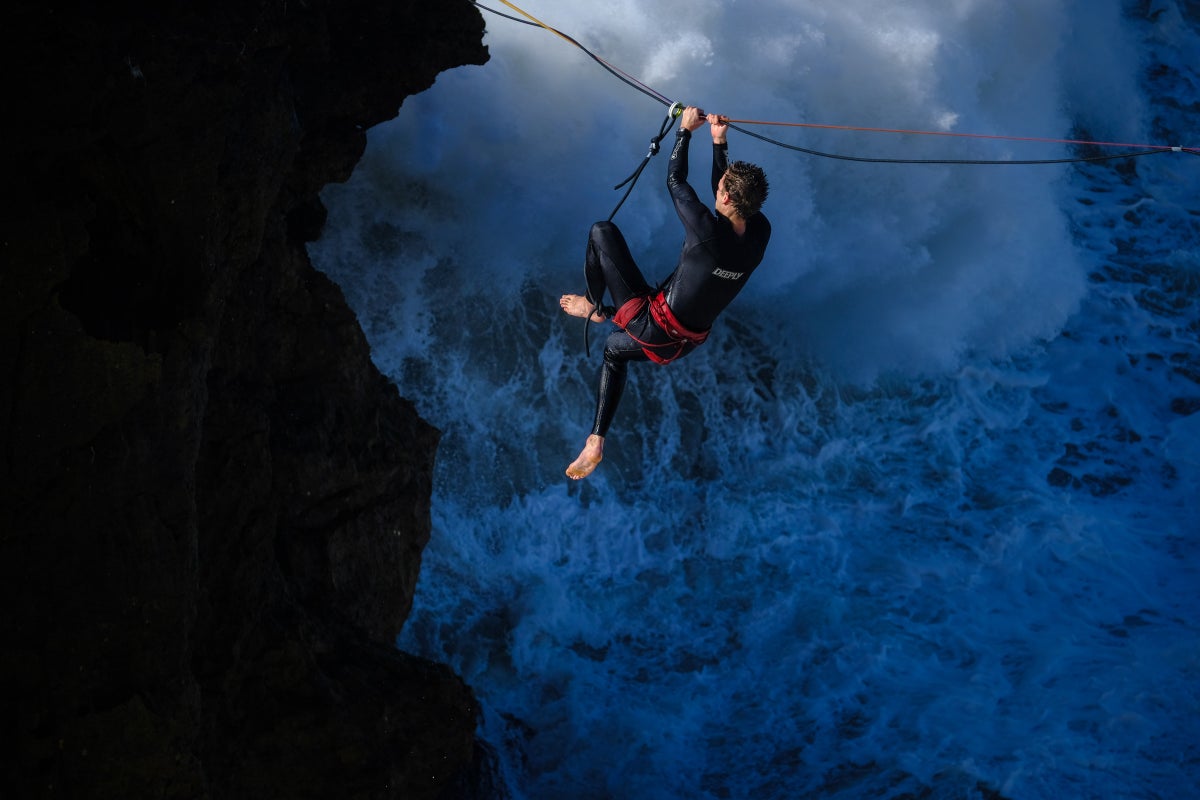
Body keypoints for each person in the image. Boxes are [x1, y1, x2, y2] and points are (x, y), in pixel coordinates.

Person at [559, 106, 771, 480]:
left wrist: (685, 132)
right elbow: (726, 195)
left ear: (724, 200)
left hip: (653, 326)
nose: (717, 191)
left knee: (601, 232)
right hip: (685, 340)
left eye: (720, 190)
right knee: (614, 350)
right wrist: (719, 141)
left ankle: (594, 308)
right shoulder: (759, 234)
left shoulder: (707, 232)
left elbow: (675, 180)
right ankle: (595, 441)